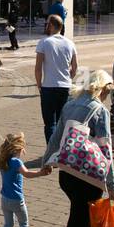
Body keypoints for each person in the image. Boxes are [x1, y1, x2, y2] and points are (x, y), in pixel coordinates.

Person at [42, 69, 114, 227]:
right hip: (88, 177)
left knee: (83, 218)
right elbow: (106, 152)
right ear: (102, 87)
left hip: (67, 174)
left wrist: (47, 160)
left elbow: (56, 136)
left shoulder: (69, 104)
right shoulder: (99, 110)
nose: (108, 95)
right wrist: (112, 187)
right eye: (108, 90)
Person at [0, 132, 50, 227]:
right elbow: (27, 174)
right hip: (17, 199)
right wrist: (41, 173)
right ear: (18, 148)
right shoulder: (16, 162)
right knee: (24, 223)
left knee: (8, 224)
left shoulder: (3, 160)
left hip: (4, 199)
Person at [35, 14, 77, 144]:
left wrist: (39, 85)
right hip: (65, 87)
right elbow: (75, 67)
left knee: (50, 124)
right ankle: (61, 151)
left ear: (52, 25)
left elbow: (38, 67)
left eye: (47, 23)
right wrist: (68, 78)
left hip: (48, 87)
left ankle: (51, 152)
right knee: (62, 121)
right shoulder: (70, 43)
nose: (46, 26)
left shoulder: (44, 42)